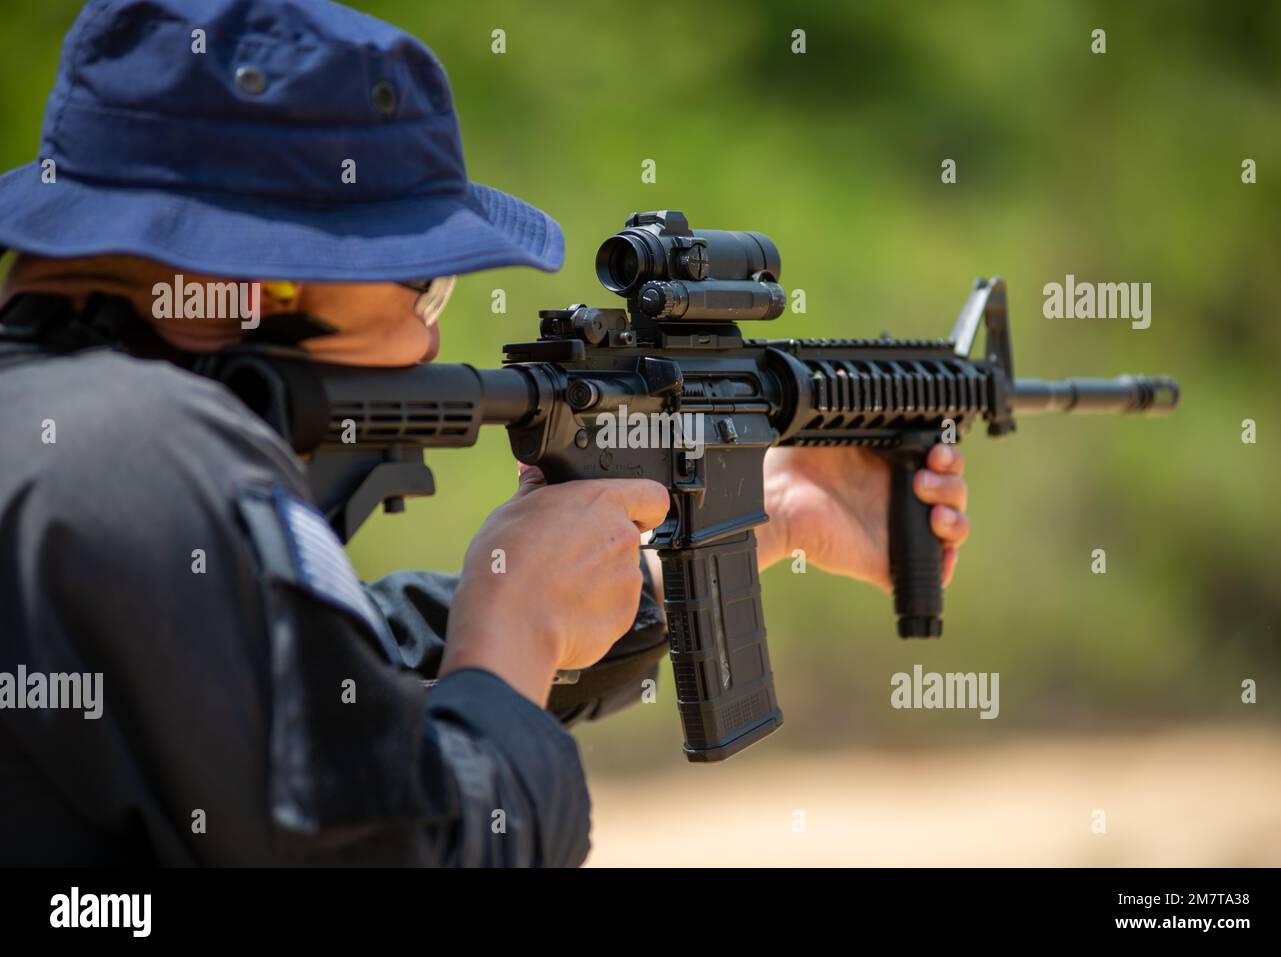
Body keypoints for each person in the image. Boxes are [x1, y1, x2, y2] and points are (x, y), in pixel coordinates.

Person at [0, 0, 970, 866]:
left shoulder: (69, 449)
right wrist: (513, 636)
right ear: (255, 289)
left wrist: (744, 526)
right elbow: (399, 846)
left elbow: (300, 687)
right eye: (422, 284)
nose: (434, 330)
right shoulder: (138, 457)